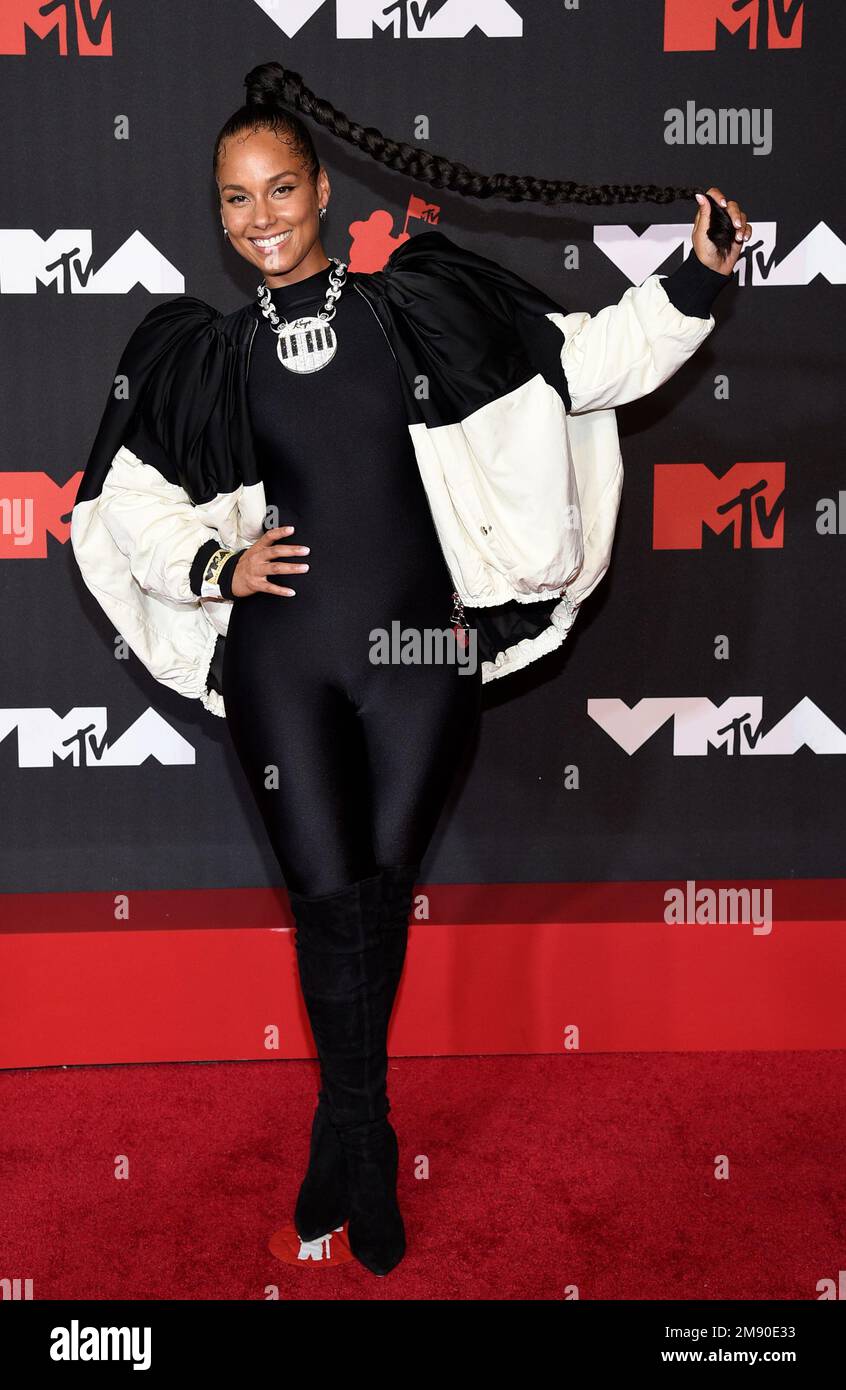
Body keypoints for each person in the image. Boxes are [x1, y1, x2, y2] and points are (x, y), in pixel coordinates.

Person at [71, 62, 750, 1278]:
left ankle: (343, 1130)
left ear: (324, 189)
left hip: (423, 656)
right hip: (286, 667)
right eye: (235, 197)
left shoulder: (418, 306)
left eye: (282, 187)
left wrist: (695, 275)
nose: (261, 215)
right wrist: (210, 563)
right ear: (216, 212)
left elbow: (586, 362)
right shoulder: (201, 356)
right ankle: (368, 1140)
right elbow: (121, 492)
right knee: (330, 904)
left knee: (374, 899)